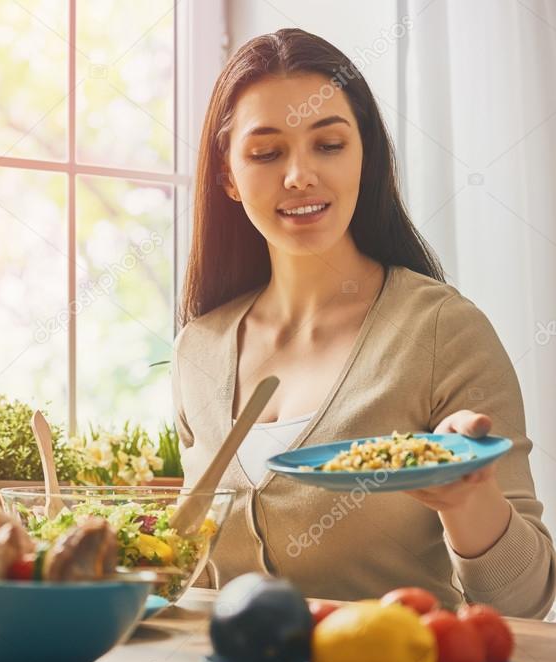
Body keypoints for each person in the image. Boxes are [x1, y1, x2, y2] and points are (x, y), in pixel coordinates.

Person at [173, 28, 555, 618]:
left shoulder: (441, 331)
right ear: (227, 175)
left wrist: (468, 501)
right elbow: (186, 570)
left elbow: (523, 601)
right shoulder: (198, 351)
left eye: (328, 144)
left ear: (365, 156)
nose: (299, 175)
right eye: (266, 153)